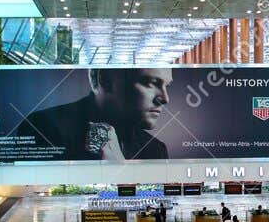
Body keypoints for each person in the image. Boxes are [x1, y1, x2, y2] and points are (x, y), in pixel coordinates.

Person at [27, 66, 173, 161]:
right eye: (150, 83)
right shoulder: (43, 126)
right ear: (104, 80)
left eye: (167, 86)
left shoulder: (156, 149)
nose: (165, 99)